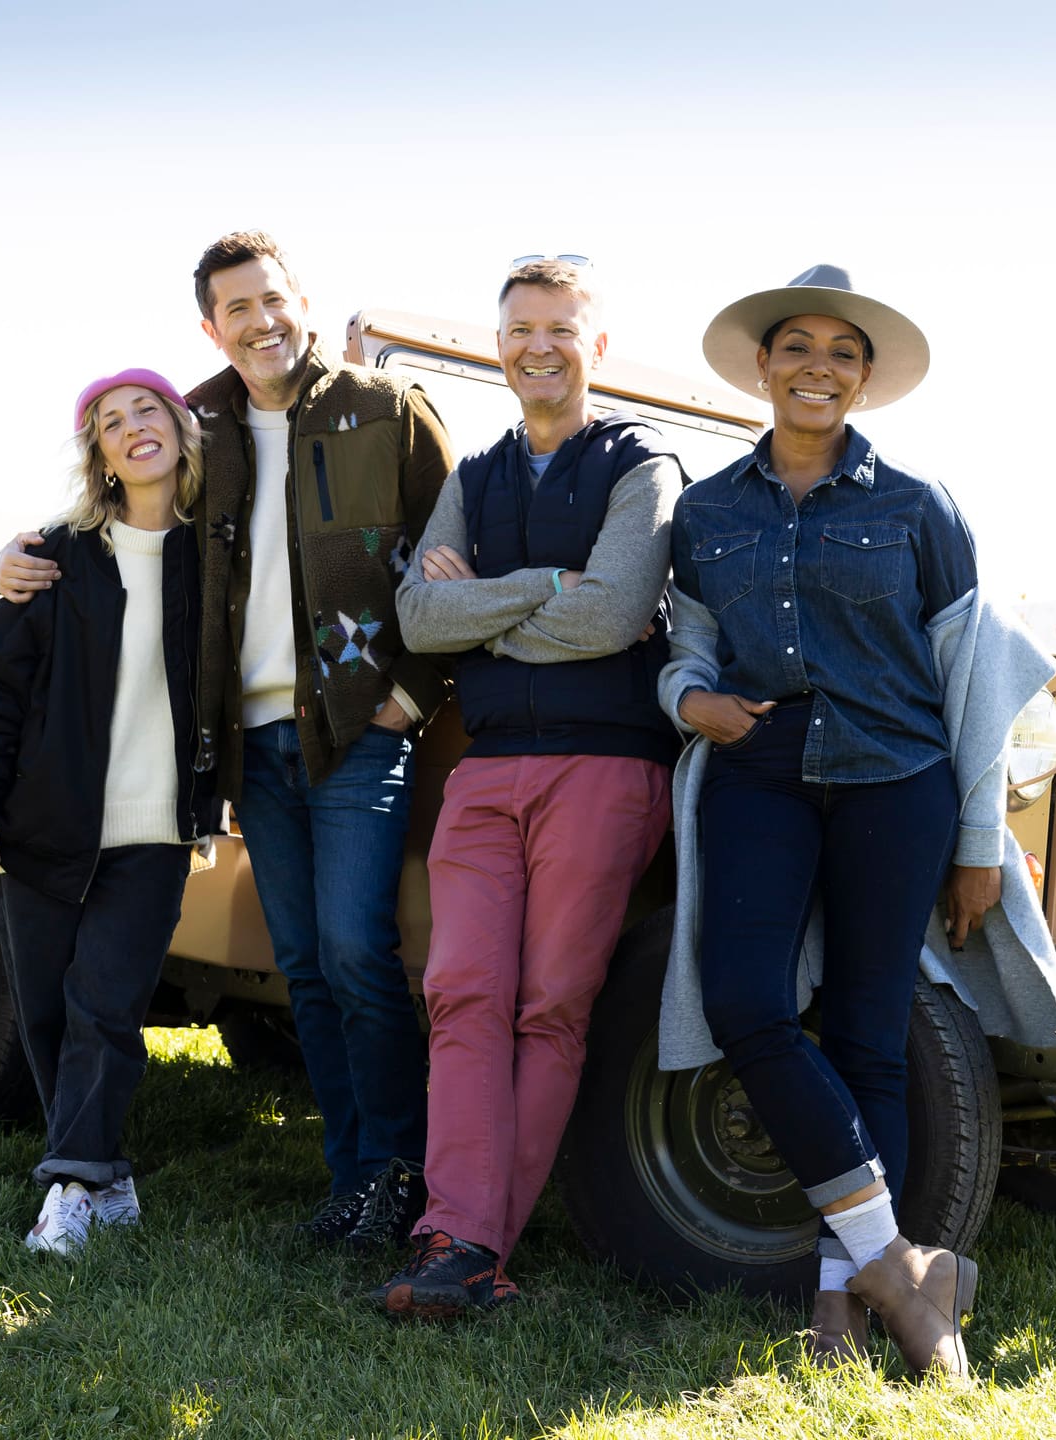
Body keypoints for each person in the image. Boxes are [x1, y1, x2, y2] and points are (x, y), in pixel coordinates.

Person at [0, 233, 455, 1249]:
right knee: (305, 965)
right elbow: (126, 510)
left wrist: (412, 695)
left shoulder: (387, 411)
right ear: (212, 326)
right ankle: (349, 1186)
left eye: (273, 300)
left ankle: (403, 1180)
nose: (260, 322)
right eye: (236, 309)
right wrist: (9, 558)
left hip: (357, 733)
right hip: (252, 741)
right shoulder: (202, 422)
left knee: (356, 953)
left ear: (303, 302)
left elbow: (453, 554)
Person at [654, 266, 1009, 1380]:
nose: (818, 366)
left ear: (865, 378)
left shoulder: (919, 506)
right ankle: (906, 1268)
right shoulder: (705, 512)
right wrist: (686, 700)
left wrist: (979, 842)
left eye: (841, 352)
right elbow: (691, 649)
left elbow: (972, 684)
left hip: (897, 782)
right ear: (762, 365)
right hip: (760, 774)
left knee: (868, 1038)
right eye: (796, 346)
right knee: (747, 1005)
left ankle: (837, 1308)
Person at [376, 258, 679, 1316]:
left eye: (560, 328)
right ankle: (462, 1236)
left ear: (595, 348)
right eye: (519, 329)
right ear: (497, 345)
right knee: (460, 991)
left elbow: (616, 618)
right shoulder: (478, 476)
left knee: (550, 1007)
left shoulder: (644, 467)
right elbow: (418, 619)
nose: (537, 345)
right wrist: (553, 587)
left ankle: (467, 1247)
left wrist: (493, 612)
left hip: (606, 768)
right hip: (487, 769)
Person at [0, 369, 215, 1256]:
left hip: (158, 829)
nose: (133, 431)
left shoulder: (216, 558)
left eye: (147, 412)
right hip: (46, 823)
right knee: (46, 1009)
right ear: (100, 455)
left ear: (179, 426)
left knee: (105, 1003)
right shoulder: (55, 556)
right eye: (111, 424)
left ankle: (73, 1187)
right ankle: (107, 1175)